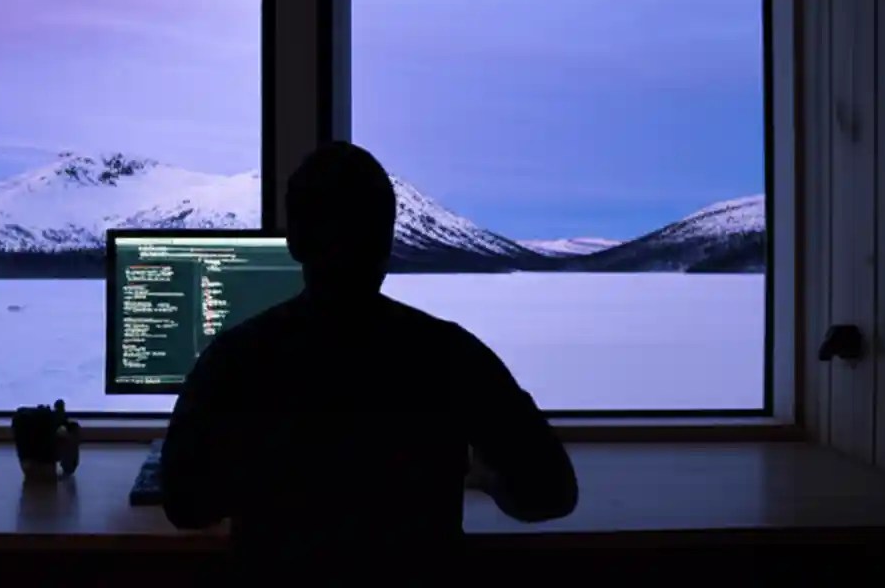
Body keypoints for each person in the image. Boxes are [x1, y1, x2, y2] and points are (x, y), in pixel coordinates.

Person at [159, 141, 577, 583]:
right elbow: (552, 492)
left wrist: (264, 477)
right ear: (388, 241)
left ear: (294, 241)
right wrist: (480, 477)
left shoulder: (233, 359)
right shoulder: (451, 356)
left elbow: (184, 505)